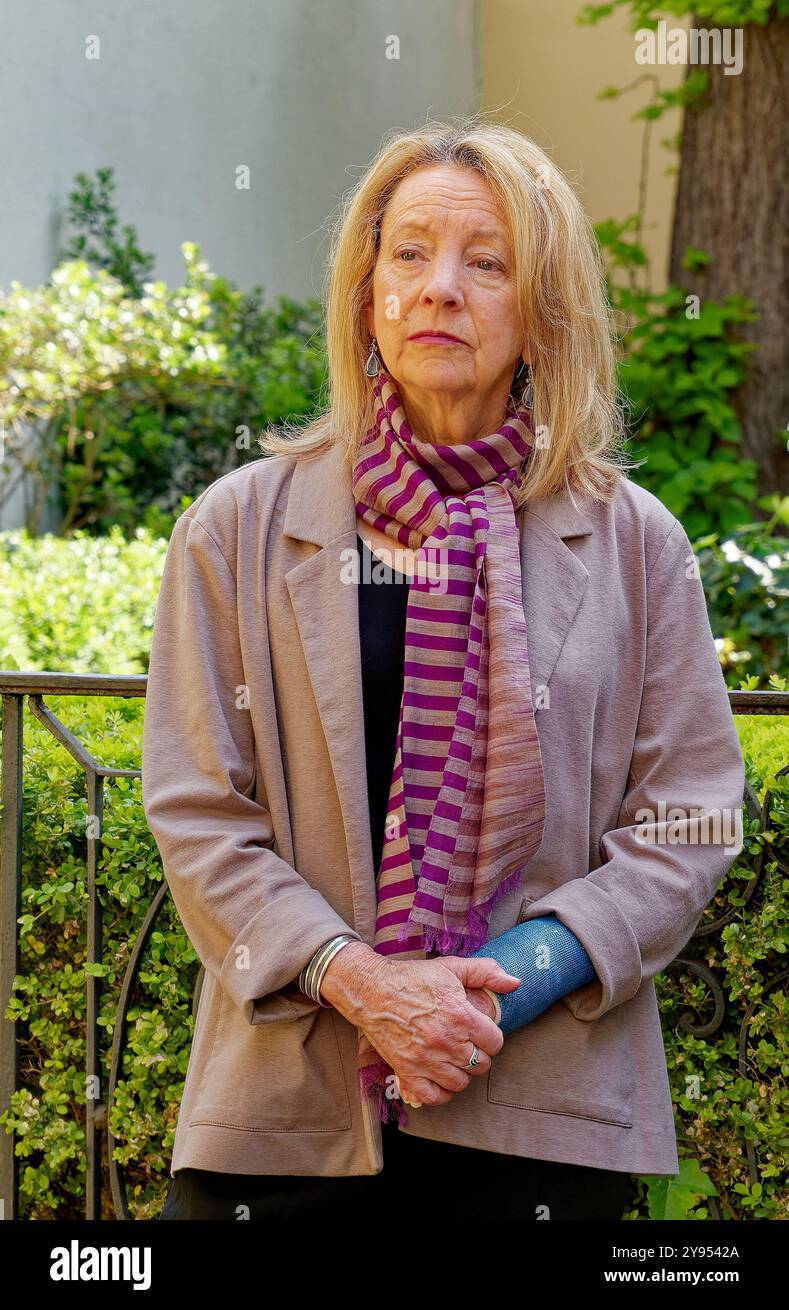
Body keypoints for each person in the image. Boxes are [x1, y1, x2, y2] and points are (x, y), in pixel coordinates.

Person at [142, 118, 745, 1220]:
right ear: (367, 287)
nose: (439, 289)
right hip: (286, 1122)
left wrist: (493, 991)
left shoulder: (635, 543)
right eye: (409, 253)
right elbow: (197, 811)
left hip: (544, 1117)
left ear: (543, 306)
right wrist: (365, 983)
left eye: (487, 261)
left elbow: (687, 819)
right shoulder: (238, 529)